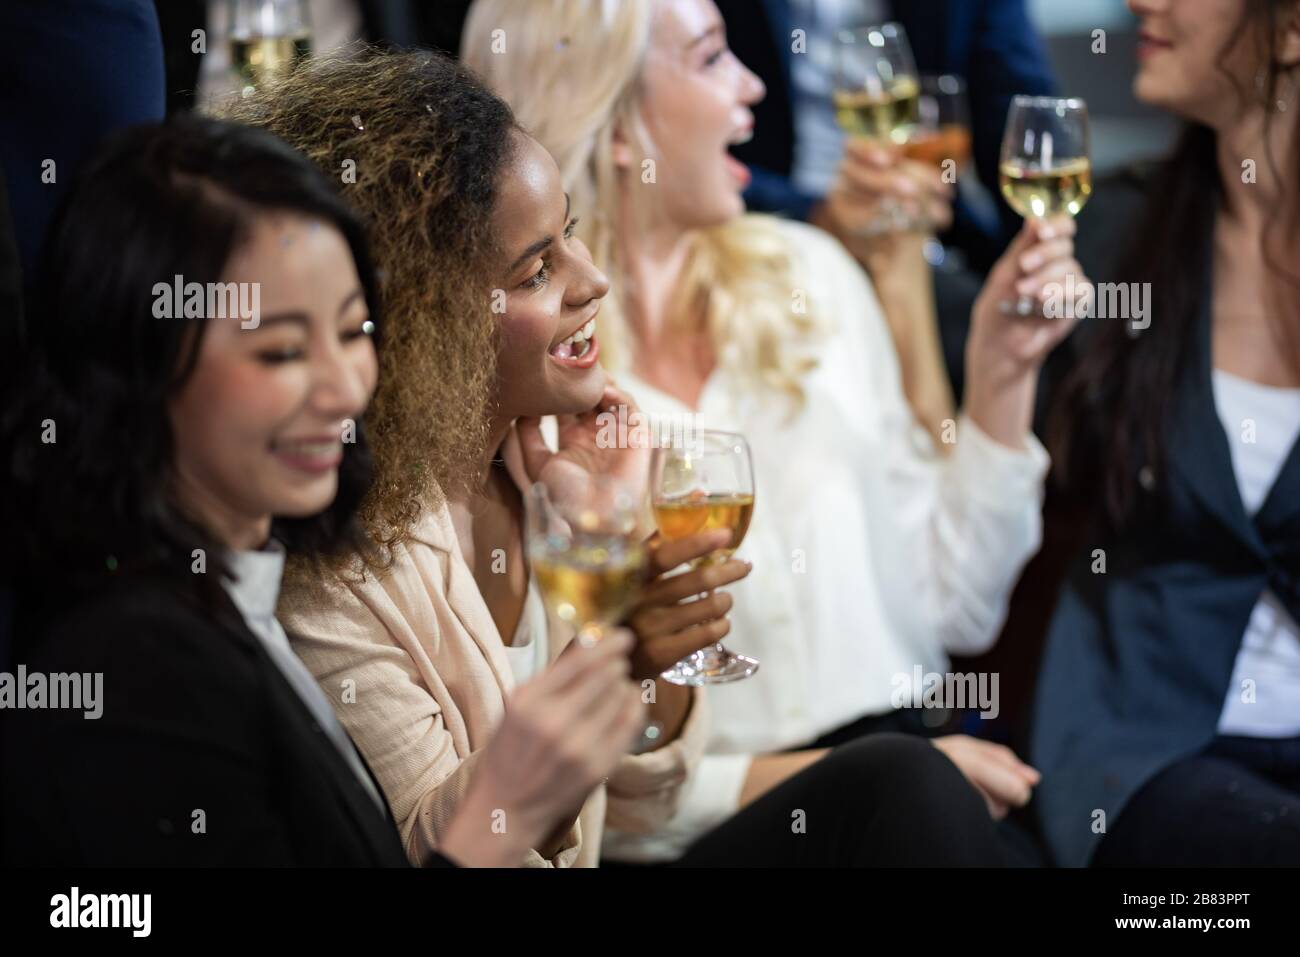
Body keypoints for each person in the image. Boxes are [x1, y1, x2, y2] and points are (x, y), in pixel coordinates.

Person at [228, 48, 1013, 867]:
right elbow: (440, 850)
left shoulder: (550, 471)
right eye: (538, 269)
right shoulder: (333, 567)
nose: (590, 278)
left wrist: (624, 540)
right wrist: (613, 653)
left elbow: (646, 800)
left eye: (569, 232)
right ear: (428, 324)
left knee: (903, 779)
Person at [463, 0, 1088, 862]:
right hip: (721, 831)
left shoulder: (814, 278)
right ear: (616, 124)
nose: (754, 83)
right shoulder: (544, 377)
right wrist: (862, 779)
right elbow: (590, 790)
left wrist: (1001, 372)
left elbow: (960, 605)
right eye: (713, 58)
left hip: (924, 766)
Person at [0, 114, 644, 867]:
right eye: (281, 350)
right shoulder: (133, 666)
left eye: (351, 331)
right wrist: (493, 813)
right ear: (139, 362)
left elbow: (650, 788)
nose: (344, 388)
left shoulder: (226, 589)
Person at [1029, 0, 1300, 867]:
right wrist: (892, 265)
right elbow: (967, 461)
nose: (1142, 1)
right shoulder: (1113, 235)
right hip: (1148, 761)